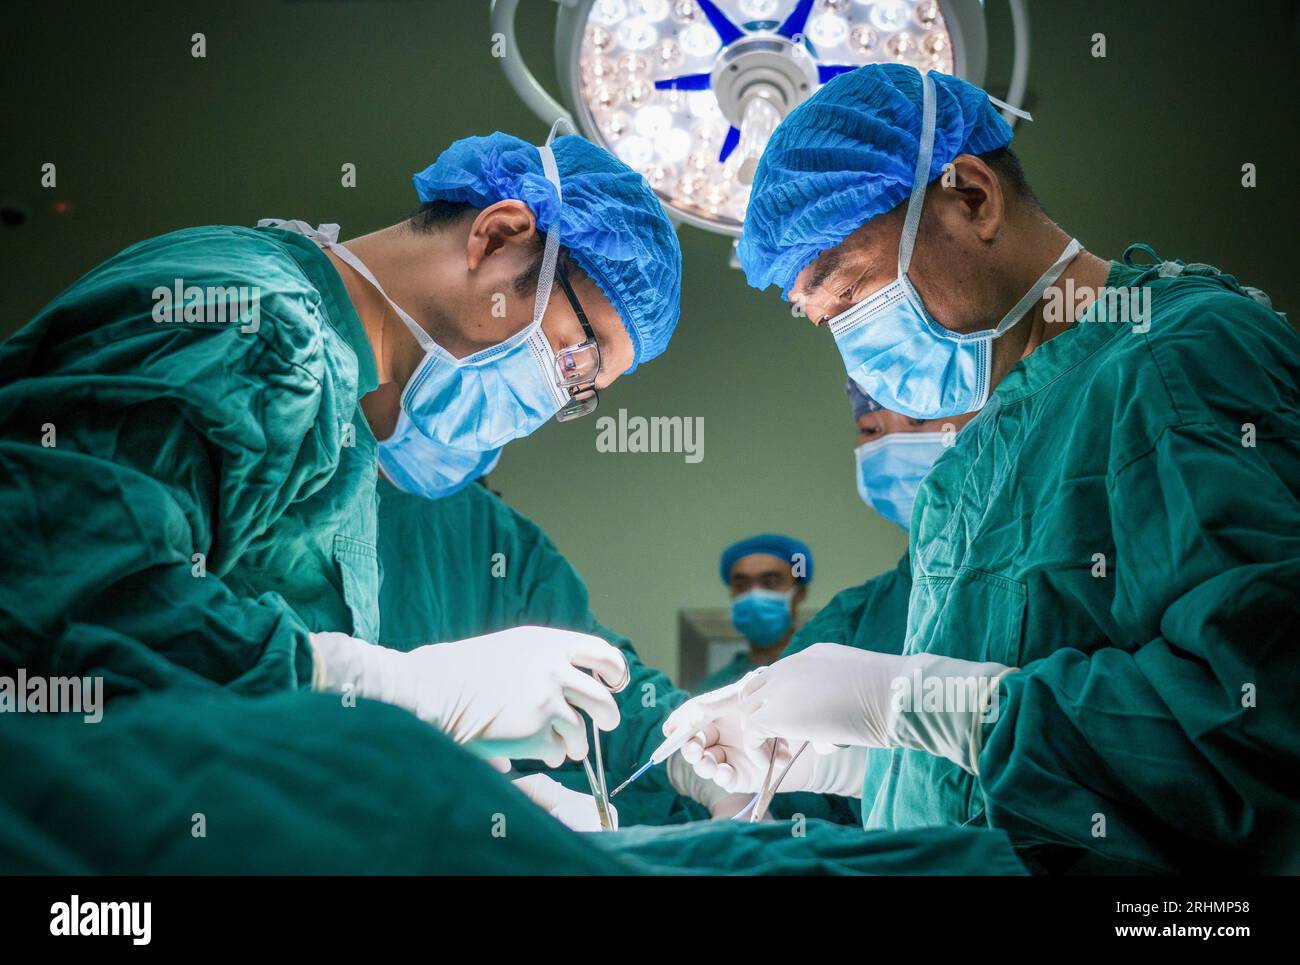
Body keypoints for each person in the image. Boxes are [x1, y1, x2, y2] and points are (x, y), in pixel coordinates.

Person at [670, 64, 1300, 873]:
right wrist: (852, 755)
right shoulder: (966, 474)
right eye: (825, 320)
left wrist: (916, 703)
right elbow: (1011, 774)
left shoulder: (1184, 360)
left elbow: (1256, 726)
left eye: (854, 292)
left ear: (971, 195)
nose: (852, 344)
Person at [0, 126, 682, 772]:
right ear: (499, 237)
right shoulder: (257, 322)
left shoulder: (346, 427)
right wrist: (395, 688)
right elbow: (68, 595)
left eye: (583, 393)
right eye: (576, 359)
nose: (555, 401)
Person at [700, 534, 813, 692]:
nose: (755, 594)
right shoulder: (714, 687)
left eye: (770, 582)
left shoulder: (821, 673)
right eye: (741, 585)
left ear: (800, 592)